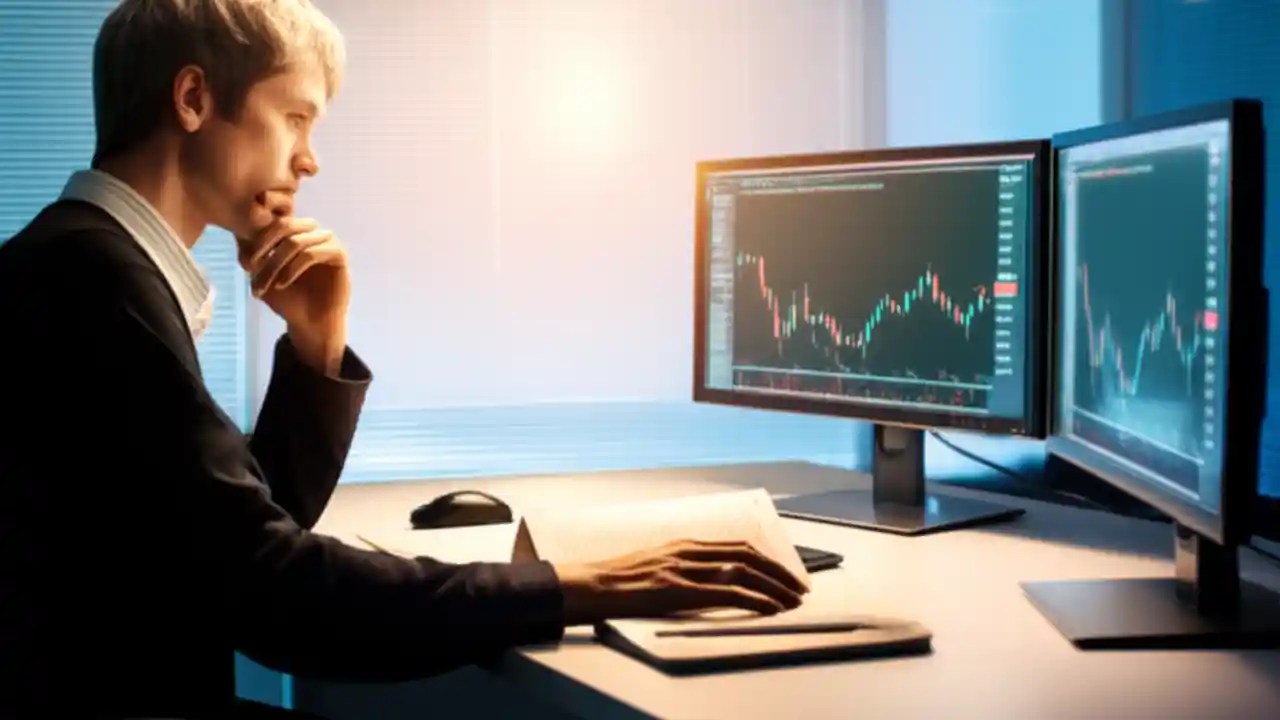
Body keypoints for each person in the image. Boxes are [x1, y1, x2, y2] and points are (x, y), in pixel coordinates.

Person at [0, 1, 806, 718]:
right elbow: (269, 592)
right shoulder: (94, 284)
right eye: (296, 117)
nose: (309, 160)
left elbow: (227, 539)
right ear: (194, 99)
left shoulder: (87, 262)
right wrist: (578, 586)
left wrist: (317, 342)